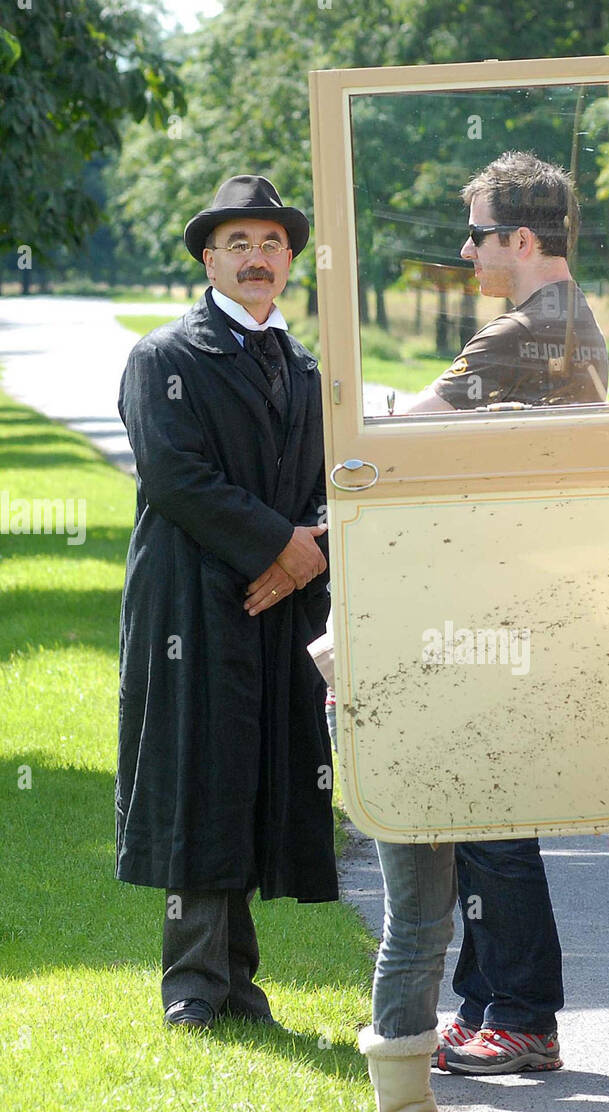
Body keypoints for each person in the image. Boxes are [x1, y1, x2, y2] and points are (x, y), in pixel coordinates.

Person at [358, 153, 608, 1112]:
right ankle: (502, 1005)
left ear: (520, 240)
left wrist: (351, 407)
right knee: (490, 814)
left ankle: (517, 1012)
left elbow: (404, 431)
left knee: (482, 818)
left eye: (476, 232)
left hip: (498, 598)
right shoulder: (565, 320)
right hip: (523, 589)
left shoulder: (525, 331)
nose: (462, 251)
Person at [116, 174, 338, 1031]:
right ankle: (192, 986)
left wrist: (301, 556)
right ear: (208, 259)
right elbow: (176, 478)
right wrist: (276, 545)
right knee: (196, 778)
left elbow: (331, 485)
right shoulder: (163, 357)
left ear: (289, 262)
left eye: (271, 243)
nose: (256, 257)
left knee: (254, 779)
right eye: (237, 244)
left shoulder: (308, 367)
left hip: (278, 604)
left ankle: (239, 984)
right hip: (192, 607)